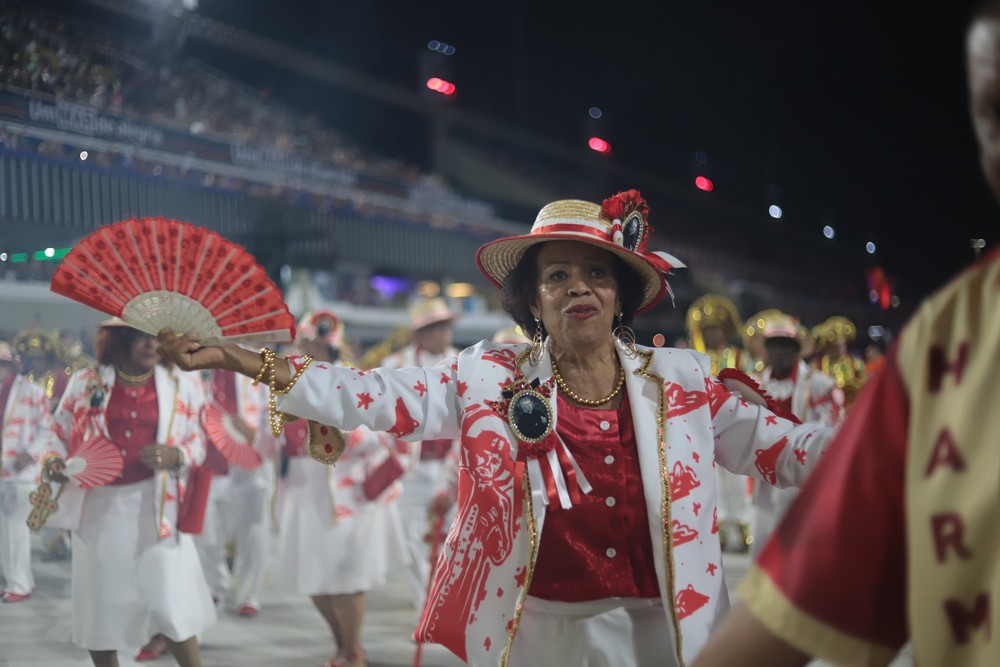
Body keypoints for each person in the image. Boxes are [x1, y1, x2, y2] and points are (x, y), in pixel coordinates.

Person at [158, 188, 839, 667]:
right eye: (558, 276)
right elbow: (369, 393)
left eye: (596, 273)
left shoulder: (682, 380)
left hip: (664, 627)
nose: (578, 287)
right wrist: (240, 358)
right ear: (533, 301)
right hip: (542, 629)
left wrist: (897, 439)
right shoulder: (487, 375)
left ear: (619, 294)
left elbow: (789, 447)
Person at [689, 5, 1000, 665]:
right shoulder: (946, 342)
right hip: (773, 498)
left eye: (783, 347)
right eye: (995, 112)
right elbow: (796, 611)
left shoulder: (824, 382)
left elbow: (806, 435)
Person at [43, 319, 215, 667]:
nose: (150, 345)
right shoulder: (84, 382)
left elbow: (198, 441)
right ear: (117, 342)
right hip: (98, 510)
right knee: (101, 606)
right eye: (139, 337)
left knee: (170, 601)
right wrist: (52, 460)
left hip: (157, 507)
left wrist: (176, 455)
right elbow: (56, 433)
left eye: (157, 337)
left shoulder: (182, 384)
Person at [265, 310, 408, 667]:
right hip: (301, 486)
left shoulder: (353, 379)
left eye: (312, 343)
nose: (303, 349)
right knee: (312, 575)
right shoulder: (282, 380)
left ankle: (351, 650)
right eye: (301, 342)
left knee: (346, 575)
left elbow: (377, 432)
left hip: (344, 490)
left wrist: (341, 434)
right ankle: (343, 645)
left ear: (329, 346)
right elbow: (270, 435)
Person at [378, 296, 461, 614]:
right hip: (411, 467)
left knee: (454, 533)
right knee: (411, 536)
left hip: (453, 465)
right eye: (435, 327)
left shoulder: (465, 362)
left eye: (446, 326)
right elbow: (379, 414)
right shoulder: (396, 366)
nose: (444, 333)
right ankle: (427, 605)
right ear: (419, 333)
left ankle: (450, 598)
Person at [748, 312, 844, 558]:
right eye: (774, 346)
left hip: (803, 476)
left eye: (786, 346)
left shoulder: (820, 384)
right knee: (762, 540)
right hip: (765, 476)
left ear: (797, 350)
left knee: (800, 549)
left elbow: (833, 428)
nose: (780, 352)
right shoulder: (753, 384)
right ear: (766, 350)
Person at [191, 359, 269, 619]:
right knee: (203, 528)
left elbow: (276, 415)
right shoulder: (195, 363)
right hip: (208, 458)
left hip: (249, 460)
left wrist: (256, 436)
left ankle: (248, 594)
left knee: (253, 529)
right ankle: (216, 583)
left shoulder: (259, 364)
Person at [686, 294, 754, 553]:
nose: (713, 334)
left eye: (716, 329)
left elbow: (750, 387)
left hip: (734, 423)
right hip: (704, 425)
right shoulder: (694, 358)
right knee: (711, 478)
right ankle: (720, 526)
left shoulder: (738, 356)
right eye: (708, 330)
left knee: (736, 477)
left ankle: (743, 523)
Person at [0, 340, 55, 602]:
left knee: (15, 530)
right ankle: (19, 581)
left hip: (20, 472)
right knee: (5, 531)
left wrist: (31, 454)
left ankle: (18, 584)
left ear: (13, 365)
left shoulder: (32, 392)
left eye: (3, 364)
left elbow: (47, 429)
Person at [810, 315, 867, 409]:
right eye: (836, 346)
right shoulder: (817, 366)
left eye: (843, 345)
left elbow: (865, 386)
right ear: (828, 347)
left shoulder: (855, 363)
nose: (840, 349)